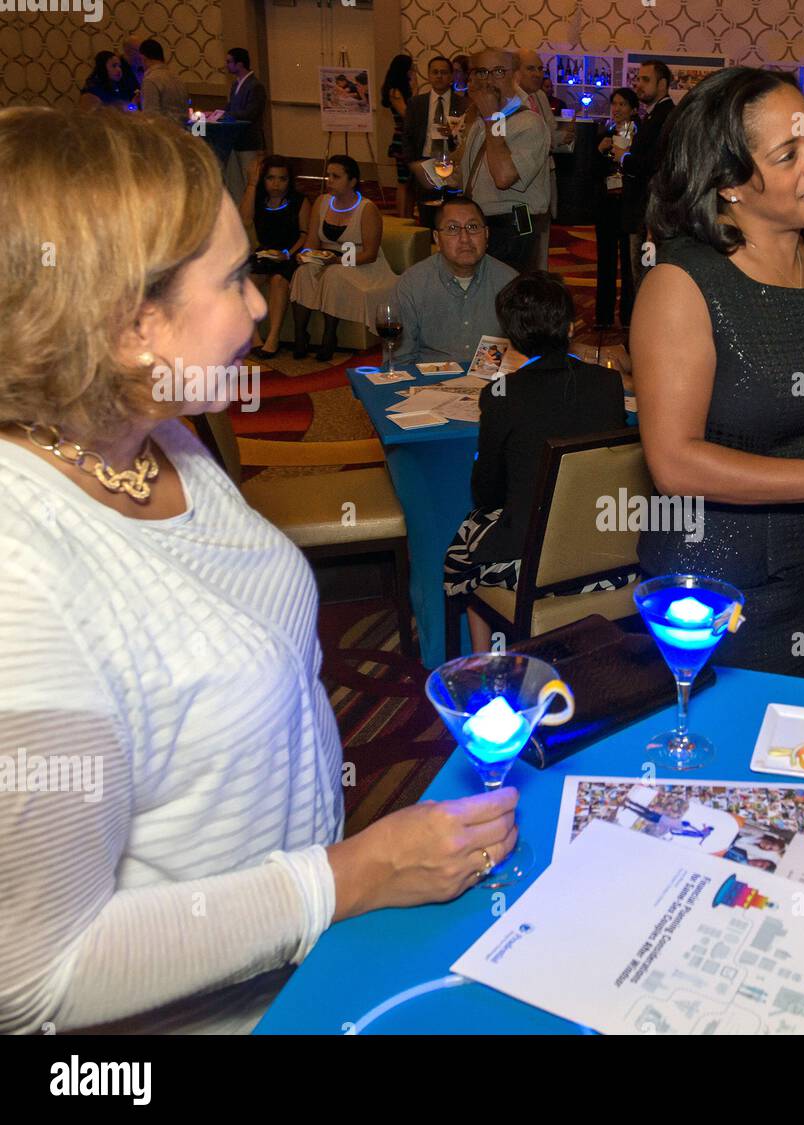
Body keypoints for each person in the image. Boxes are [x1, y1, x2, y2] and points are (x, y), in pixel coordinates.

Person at [0, 106, 517, 1035]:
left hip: (295, 963)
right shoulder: (19, 572)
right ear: (129, 325)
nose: (258, 308)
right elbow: (39, 974)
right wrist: (352, 875)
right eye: (235, 280)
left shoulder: (155, 433)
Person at [632, 67, 804, 679]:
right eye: (788, 153)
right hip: (717, 586)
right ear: (730, 183)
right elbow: (675, 465)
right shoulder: (682, 284)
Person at [444, 272, 627, 651]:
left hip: (532, 565)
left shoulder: (503, 393)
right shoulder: (606, 385)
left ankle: (487, 668)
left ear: (511, 336)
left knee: (463, 551)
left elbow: (487, 492)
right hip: (610, 553)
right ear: (571, 325)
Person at [289, 154, 397, 360]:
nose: (329, 181)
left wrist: (338, 260)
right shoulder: (322, 202)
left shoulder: (366, 208)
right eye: (328, 176)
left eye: (336, 177)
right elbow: (312, 241)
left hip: (361, 265)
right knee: (304, 272)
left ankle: (330, 337)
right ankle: (300, 335)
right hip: (328, 258)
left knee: (333, 274)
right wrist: (305, 256)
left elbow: (370, 254)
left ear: (352, 181)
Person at [451, 48, 550, 271]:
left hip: (514, 224)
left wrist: (490, 118)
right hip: (479, 221)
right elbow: (470, 177)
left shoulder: (528, 123)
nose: (488, 80)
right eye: (481, 72)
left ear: (515, 77)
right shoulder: (480, 121)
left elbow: (504, 177)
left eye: (497, 71)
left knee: (509, 295)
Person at [391, 197, 517, 366]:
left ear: (486, 234)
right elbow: (399, 359)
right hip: (429, 385)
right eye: (452, 228)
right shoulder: (412, 284)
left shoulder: (510, 282)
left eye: (473, 227)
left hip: (493, 384)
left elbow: (525, 352)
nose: (465, 238)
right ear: (437, 238)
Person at [240, 155, 310, 359]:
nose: (276, 184)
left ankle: (273, 337)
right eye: (271, 178)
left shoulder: (299, 201)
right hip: (265, 252)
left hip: (291, 253)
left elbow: (305, 234)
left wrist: (287, 253)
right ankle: (253, 337)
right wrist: (252, 184)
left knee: (279, 280)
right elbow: (244, 220)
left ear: (289, 180)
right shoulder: (259, 197)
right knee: (244, 281)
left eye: (282, 179)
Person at [516, 49, 575, 271]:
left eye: (540, 69)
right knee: (522, 239)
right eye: (531, 68)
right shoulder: (509, 101)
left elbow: (548, 133)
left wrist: (562, 136)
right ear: (516, 71)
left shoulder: (540, 96)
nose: (537, 74)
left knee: (542, 237)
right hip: (519, 185)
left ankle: (538, 285)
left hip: (543, 176)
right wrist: (553, 138)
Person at [620, 60, 676, 291]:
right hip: (645, 208)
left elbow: (655, 164)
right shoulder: (654, 116)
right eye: (638, 79)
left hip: (651, 210)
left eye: (645, 80)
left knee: (645, 277)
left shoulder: (665, 116)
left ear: (662, 84)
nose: (638, 85)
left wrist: (623, 157)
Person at [594, 87, 638, 328]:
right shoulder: (605, 132)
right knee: (606, 262)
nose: (617, 109)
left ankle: (628, 316)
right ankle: (603, 317)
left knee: (630, 265)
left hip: (629, 204)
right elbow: (593, 171)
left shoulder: (640, 135)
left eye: (622, 104)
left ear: (633, 109)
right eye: (614, 104)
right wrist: (599, 152)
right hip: (607, 204)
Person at [224, 48, 268, 201]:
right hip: (234, 140)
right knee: (235, 183)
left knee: (250, 182)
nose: (227, 65)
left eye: (229, 62)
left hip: (249, 141)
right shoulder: (235, 85)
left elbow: (251, 114)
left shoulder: (256, 86)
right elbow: (229, 108)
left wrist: (228, 115)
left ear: (240, 64)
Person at [380, 54, 415, 220]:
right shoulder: (395, 91)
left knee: (409, 182)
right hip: (402, 138)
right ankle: (402, 217)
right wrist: (414, 89)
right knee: (403, 182)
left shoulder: (402, 89)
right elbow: (406, 114)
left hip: (408, 136)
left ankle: (407, 215)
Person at [137, 39, 188, 123]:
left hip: (164, 132)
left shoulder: (150, 80)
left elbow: (151, 117)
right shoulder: (177, 78)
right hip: (181, 131)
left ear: (143, 58)